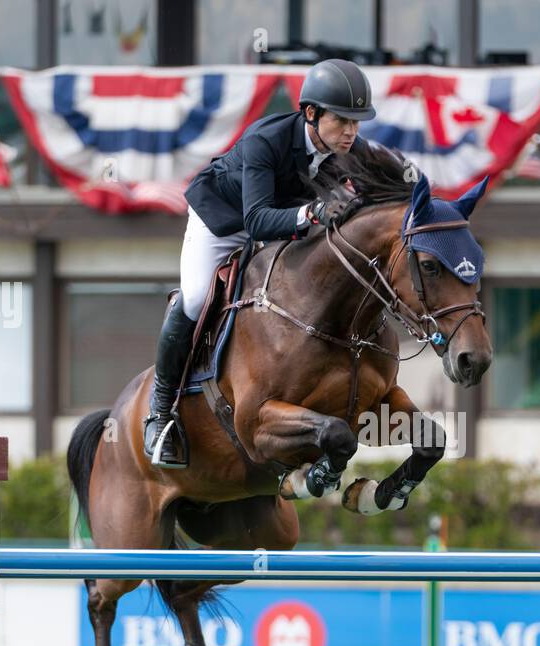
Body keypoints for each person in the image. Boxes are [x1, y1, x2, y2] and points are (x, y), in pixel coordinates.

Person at [143, 58, 377, 469]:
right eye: (342, 121)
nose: (351, 132)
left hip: (283, 223)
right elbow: (255, 221)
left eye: (357, 122)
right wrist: (311, 214)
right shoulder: (264, 141)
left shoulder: (350, 152)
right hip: (223, 222)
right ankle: (160, 412)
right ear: (311, 113)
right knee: (197, 298)